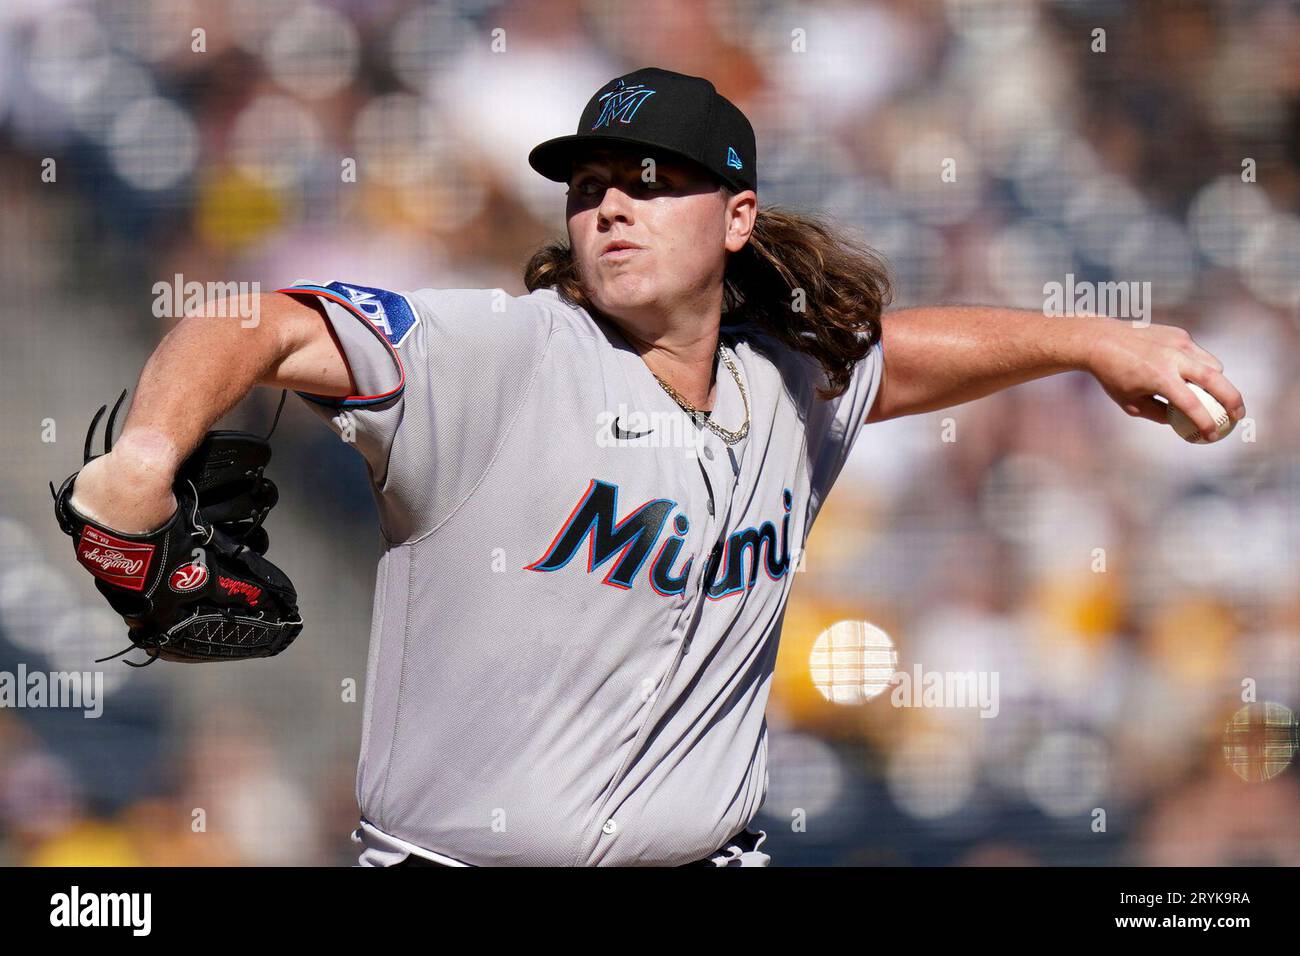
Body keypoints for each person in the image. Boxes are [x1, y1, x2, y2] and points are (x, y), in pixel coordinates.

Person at [65, 67, 1245, 866]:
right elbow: (254, 321)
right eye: (587, 190)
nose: (610, 208)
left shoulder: (789, 382)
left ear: (735, 220)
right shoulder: (505, 352)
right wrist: (148, 454)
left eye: (649, 182)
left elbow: (907, 352)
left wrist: (1092, 339)